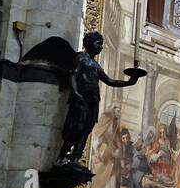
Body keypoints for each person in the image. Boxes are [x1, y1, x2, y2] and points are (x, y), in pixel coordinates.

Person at [57, 31, 143, 166]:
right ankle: (61, 157)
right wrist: (75, 92)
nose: (101, 47)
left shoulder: (96, 65)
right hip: (81, 99)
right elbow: (73, 74)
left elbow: (110, 81)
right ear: (90, 44)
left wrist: (129, 82)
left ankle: (75, 159)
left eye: (101, 44)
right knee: (76, 128)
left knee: (86, 130)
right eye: (98, 44)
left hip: (93, 102)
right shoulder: (81, 58)